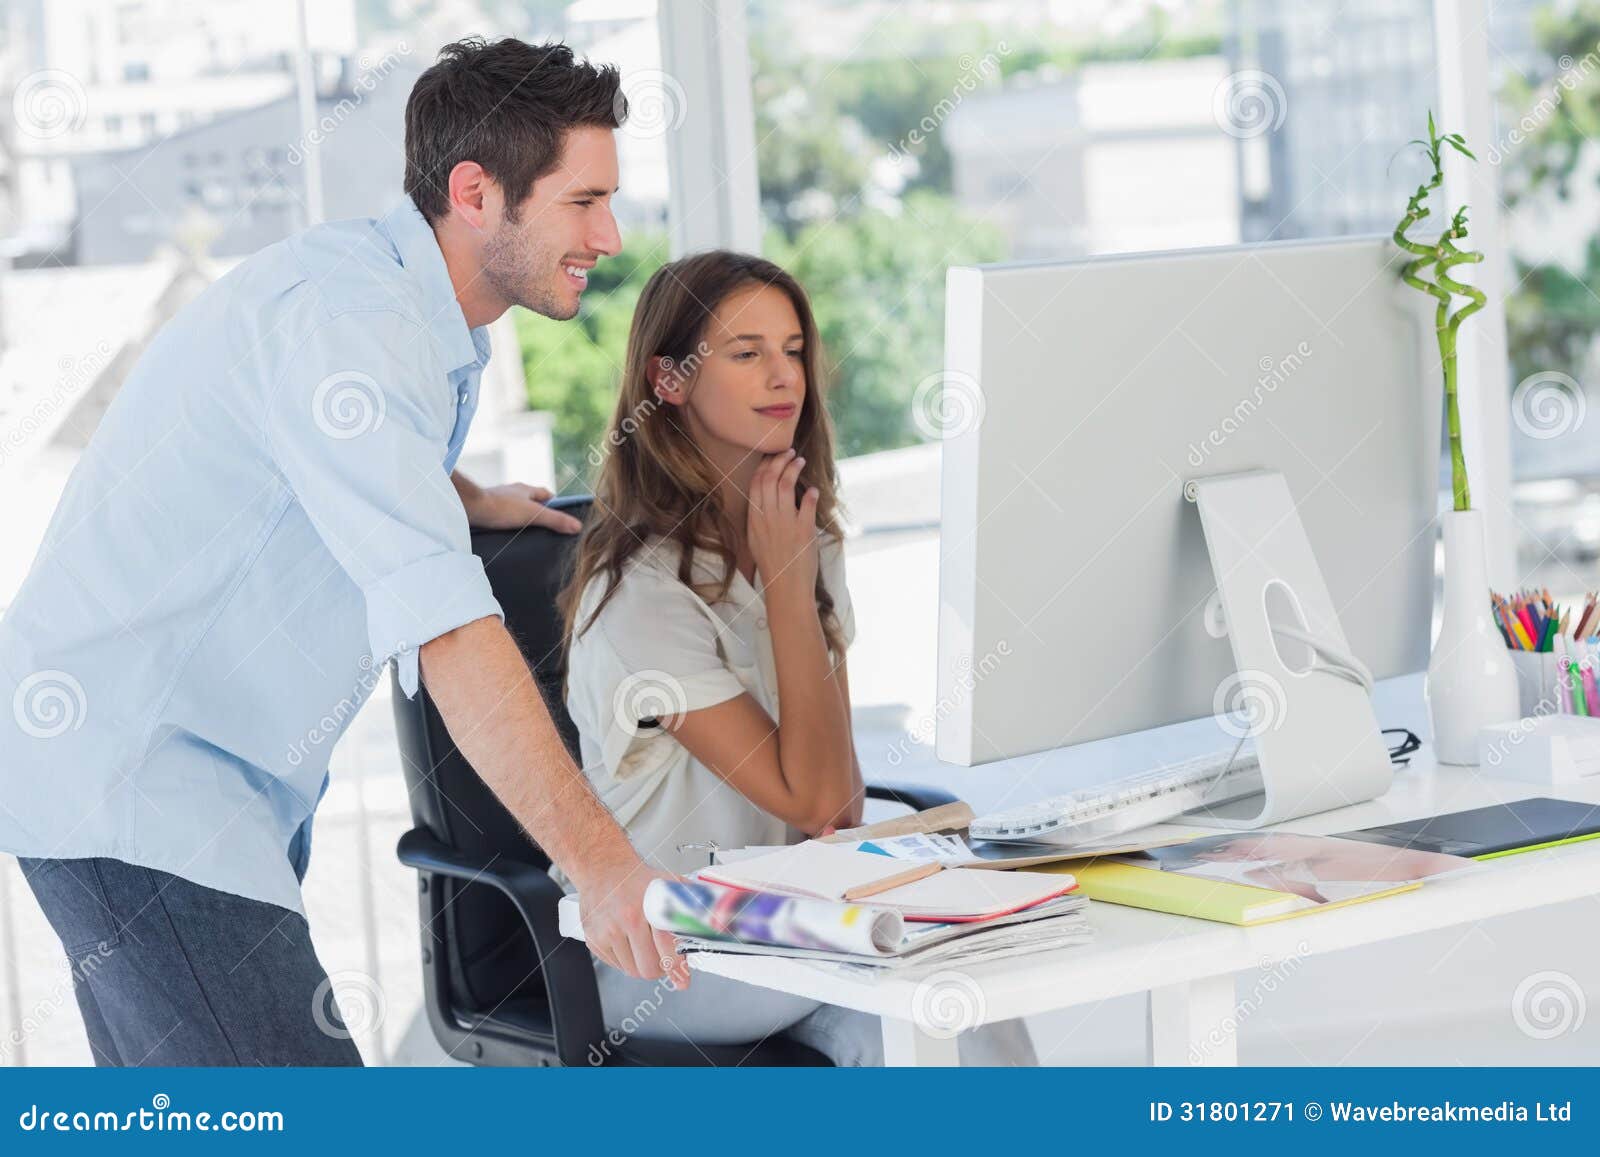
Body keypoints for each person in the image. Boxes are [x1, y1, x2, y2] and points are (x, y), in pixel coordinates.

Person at [0, 37, 684, 1067]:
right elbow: (449, 634)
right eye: (582, 201)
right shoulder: (353, 320)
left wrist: (457, 495)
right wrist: (600, 865)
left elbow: (327, 443)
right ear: (475, 192)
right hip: (137, 780)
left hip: (193, 783)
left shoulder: (398, 311)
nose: (611, 233)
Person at [560, 251, 1037, 1065]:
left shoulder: (800, 536)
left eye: (792, 350)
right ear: (668, 381)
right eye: (746, 353)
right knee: (930, 971)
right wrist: (788, 585)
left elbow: (835, 811)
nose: (784, 376)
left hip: (793, 922)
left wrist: (793, 570)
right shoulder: (640, 595)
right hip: (667, 952)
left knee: (943, 1016)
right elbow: (813, 791)